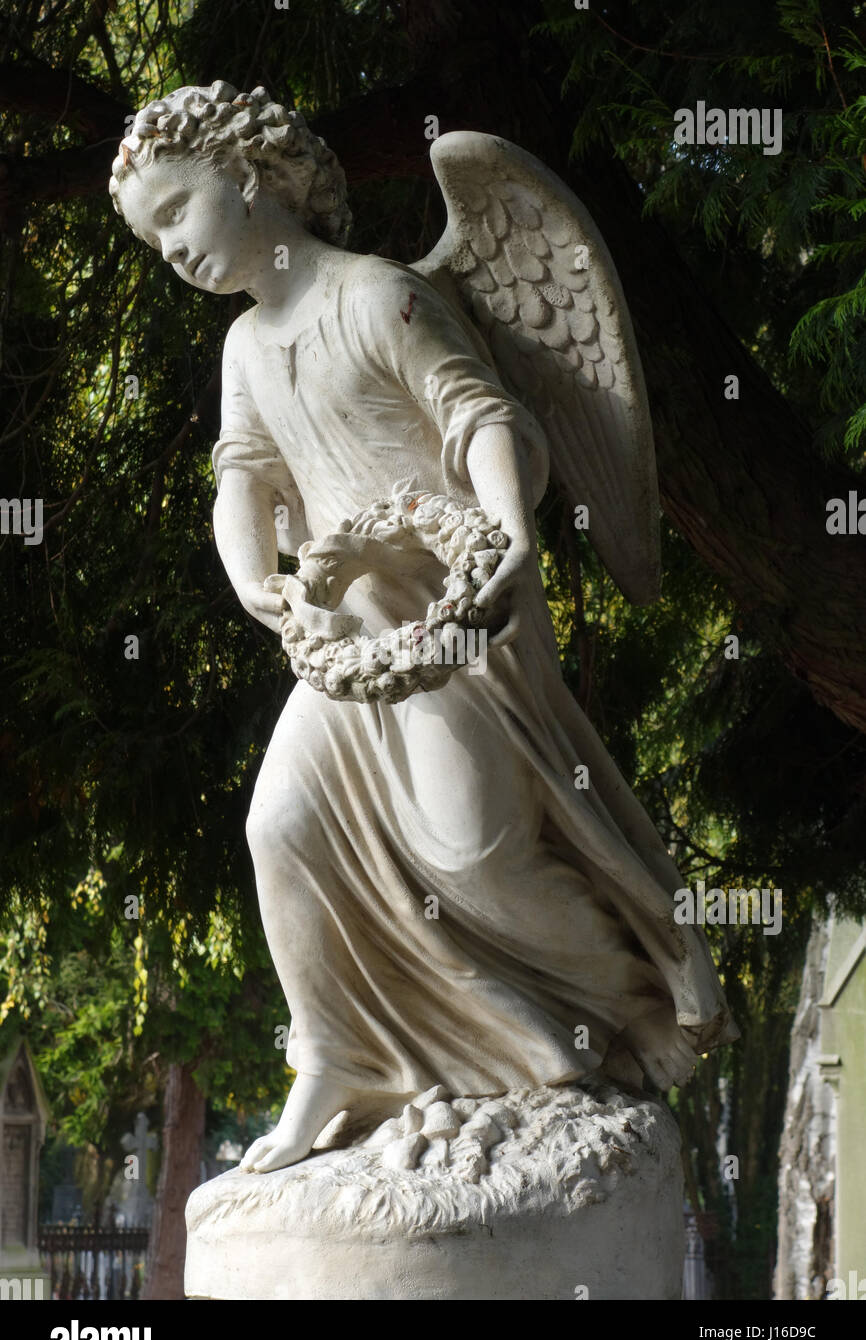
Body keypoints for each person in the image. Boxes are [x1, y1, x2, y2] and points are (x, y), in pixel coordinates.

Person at [110, 80, 735, 1174]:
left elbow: (481, 415)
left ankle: (621, 1002)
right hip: (349, 642)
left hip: (460, 621)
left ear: (249, 177)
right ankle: (336, 1058)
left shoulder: (380, 297)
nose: (168, 252)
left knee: (474, 850)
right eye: (149, 238)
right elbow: (241, 477)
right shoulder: (244, 352)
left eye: (175, 214)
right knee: (280, 831)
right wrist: (256, 576)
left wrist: (504, 535)